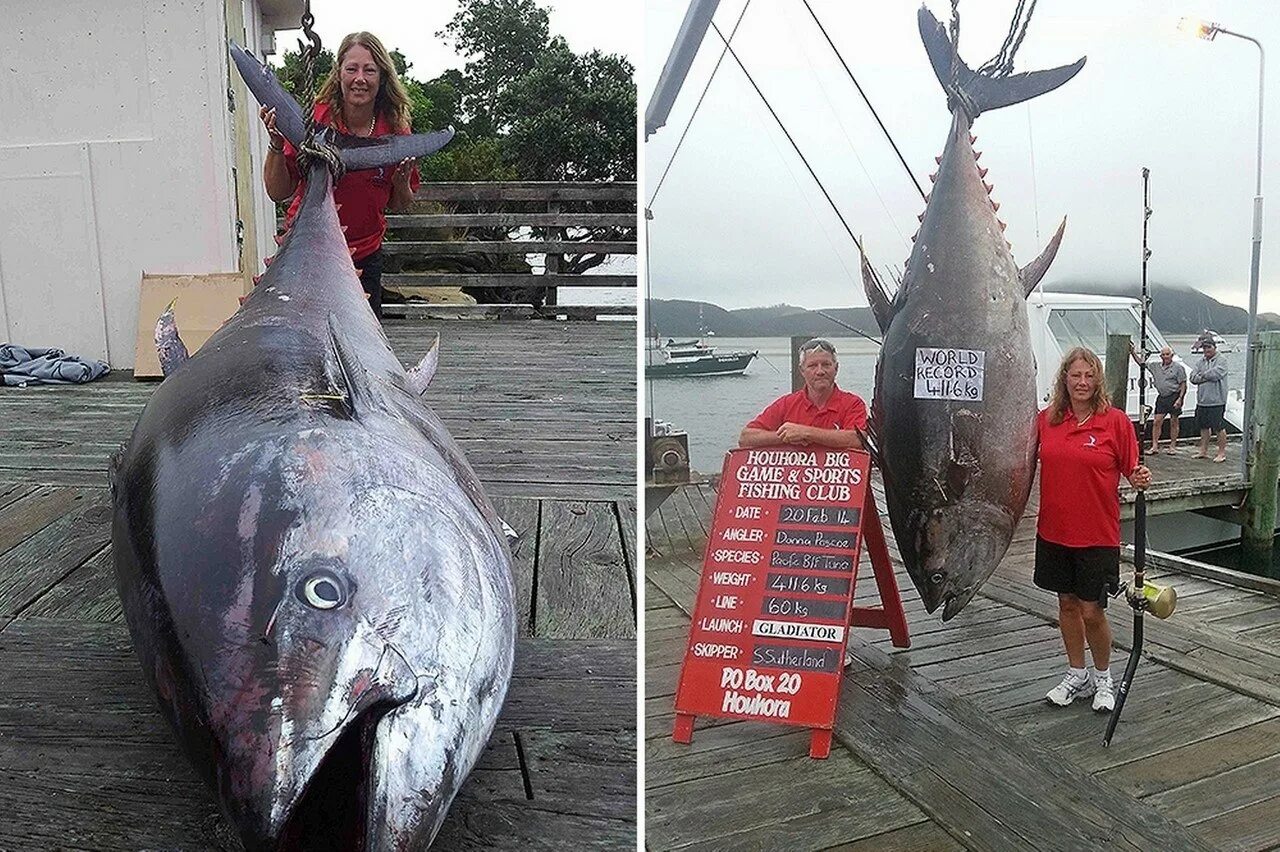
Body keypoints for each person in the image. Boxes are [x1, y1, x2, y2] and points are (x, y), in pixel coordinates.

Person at [259, 31, 420, 319]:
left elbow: (400, 203)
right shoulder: (313, 121)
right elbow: (277, 192)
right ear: (339, 74)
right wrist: (276, 144)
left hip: (362, 255)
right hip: (305, 255)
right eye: (352, 69)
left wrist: (400, 185)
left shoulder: (396, 132)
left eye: (369, 70)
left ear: (382, 77)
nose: (360, 78)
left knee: (360, 345)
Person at [1036, 347, 1151, 713]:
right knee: (1066, 605)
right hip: (1053, 531)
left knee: (1092, 611)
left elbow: (1133, 471)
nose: (1082, 382)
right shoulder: (1046, 421)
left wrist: (1139, 477)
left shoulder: (1115, 422)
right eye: (1076, 375)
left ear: (1097, 380)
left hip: (1097, 534)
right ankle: (1077, 675)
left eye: (1089, 375)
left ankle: (1104, 679)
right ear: (1064, 380)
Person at [739, 338, 866, 449]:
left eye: (826, 365)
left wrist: (806, 433)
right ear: (802, 370)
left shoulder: (853, 403)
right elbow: (746, 438)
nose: (820, 371)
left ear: (836, 368)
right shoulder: (786, 403)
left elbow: (858, 440)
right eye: (812, 366)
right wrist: (786, 436)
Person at [1189, 338, 1228, 463]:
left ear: (1214, 347)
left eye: (1209, 347)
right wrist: (1205, 375)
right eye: (1204, 348)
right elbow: (1192, 378)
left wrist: (1202, 375)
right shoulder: (1200, 361)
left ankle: (1221, 453)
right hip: (1202, 401)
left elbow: (1216, 374)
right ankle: (1203, 451)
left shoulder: (1222, 360)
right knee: (1203, 427)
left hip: (1217, 400)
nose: (1206, 350)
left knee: (1218, 427)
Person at [1145, 347, 1187, 454]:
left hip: (1174, 396)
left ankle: (1172, 445)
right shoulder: (1155, 366)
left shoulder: (1178, 368)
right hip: (1162, 397)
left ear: (1171, 355)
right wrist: (1132, 352)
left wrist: (1180, 399)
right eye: (1163, 355)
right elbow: (1141, 363)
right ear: (1160, 356)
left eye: (1167, 354)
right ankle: (1154, 446)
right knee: (1157, 421)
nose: (1165, 357)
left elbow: (1183, 384)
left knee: (1174, 421)